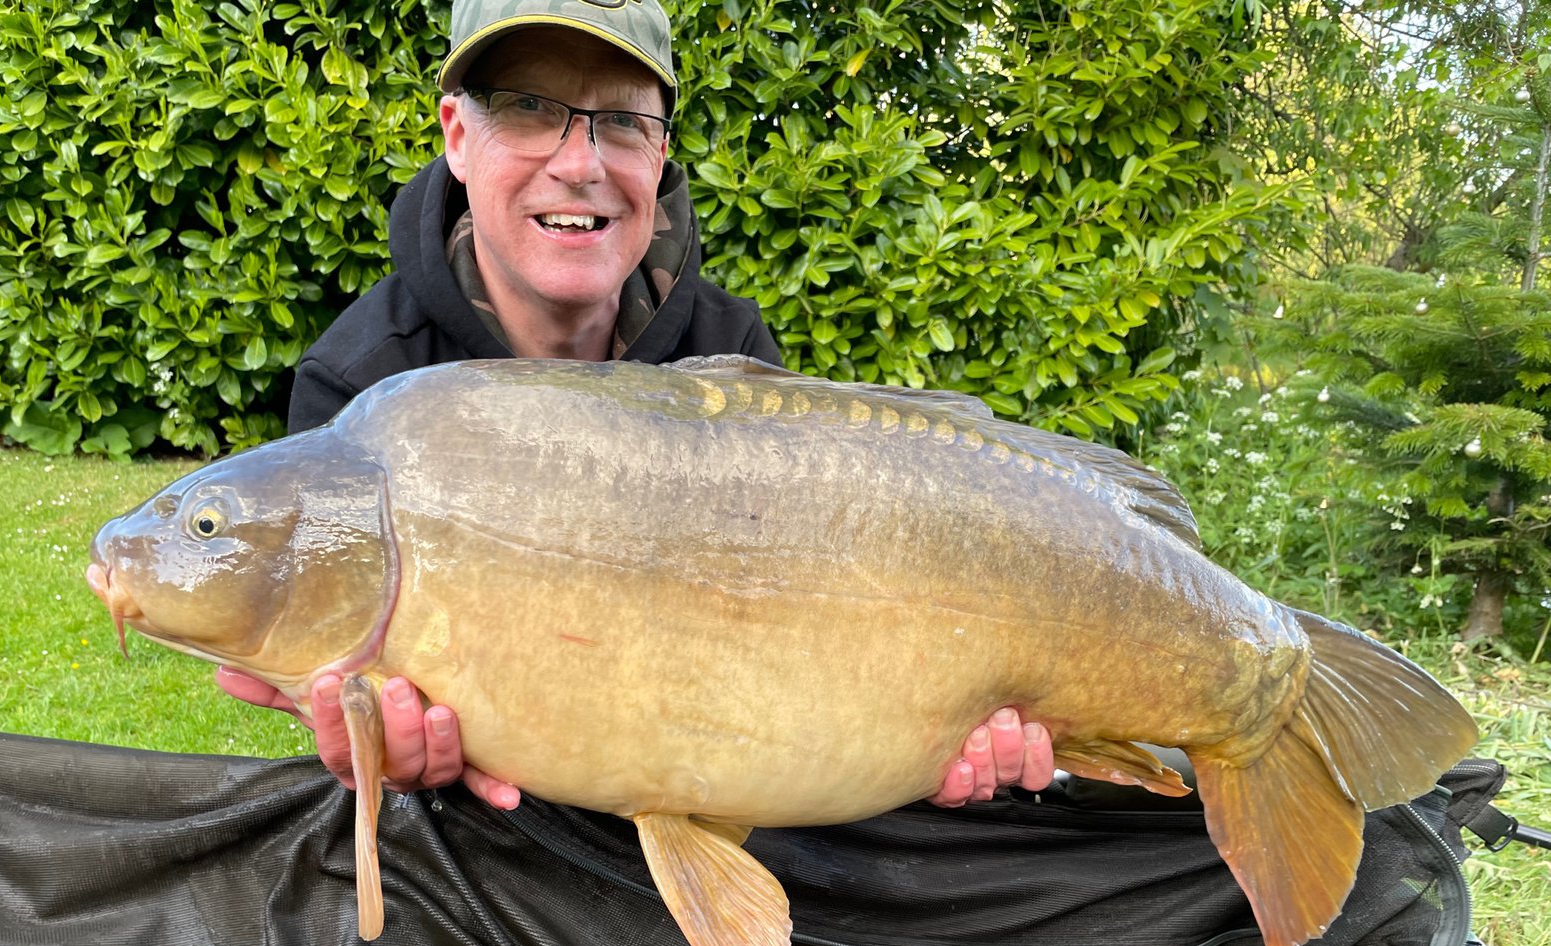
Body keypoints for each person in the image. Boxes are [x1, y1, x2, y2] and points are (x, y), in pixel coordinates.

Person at [215, 0, 1055, 809]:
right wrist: (377, 746)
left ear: (659, 157)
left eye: (622, 122)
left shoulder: (731, 357)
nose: (579, 165)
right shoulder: (361, 385)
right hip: (482, 837)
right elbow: (346, 689)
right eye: (530, 107)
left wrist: (924, 733)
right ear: (458, 135)